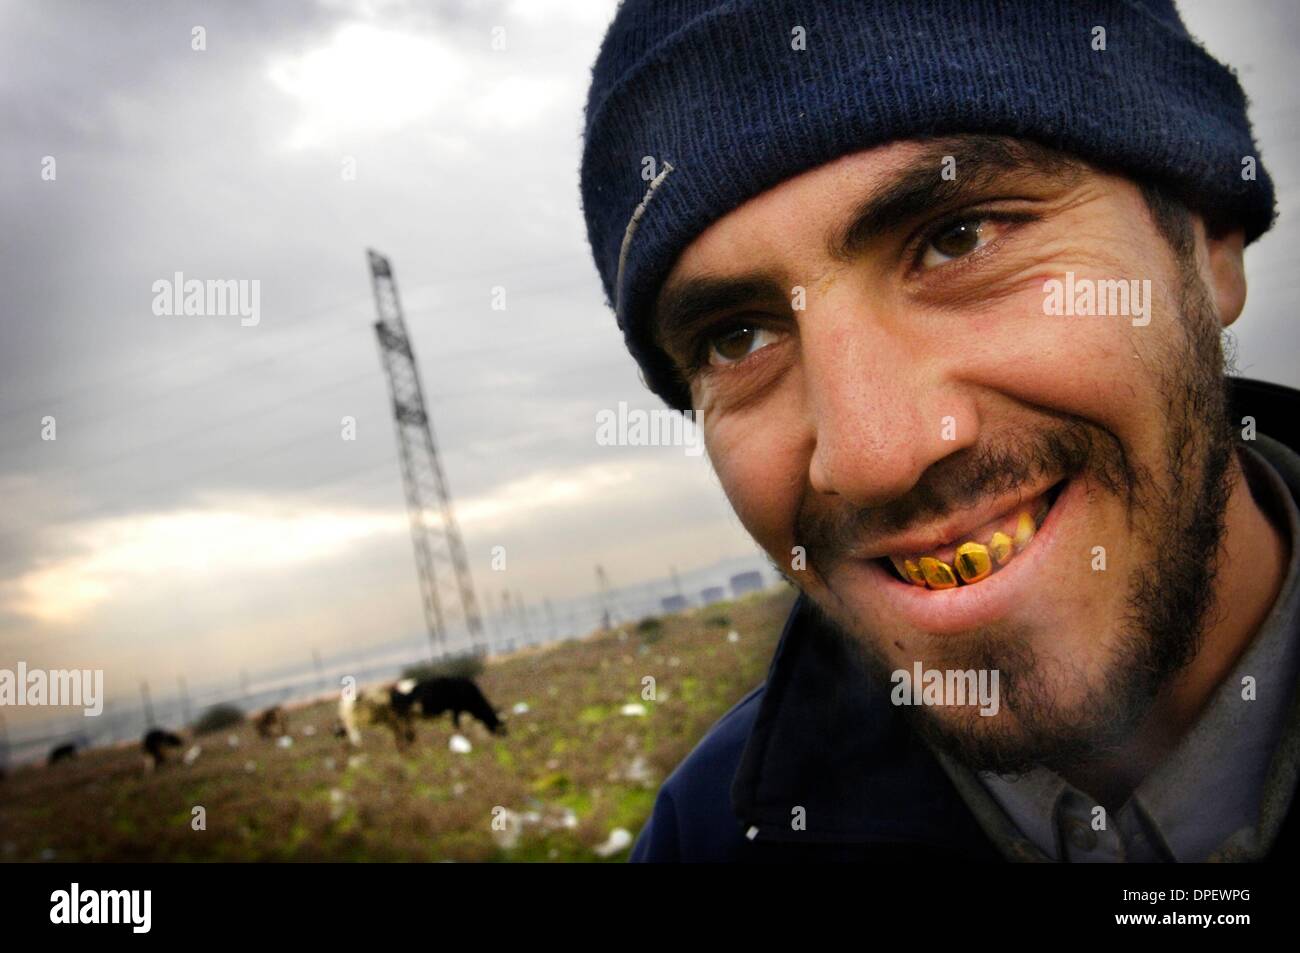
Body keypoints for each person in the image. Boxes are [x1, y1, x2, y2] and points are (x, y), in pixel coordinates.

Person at [579, 0, 1299, 861]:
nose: (874, 454)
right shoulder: (705, 843)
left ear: (1208, 238)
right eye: (739, 336)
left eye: (960, 239)